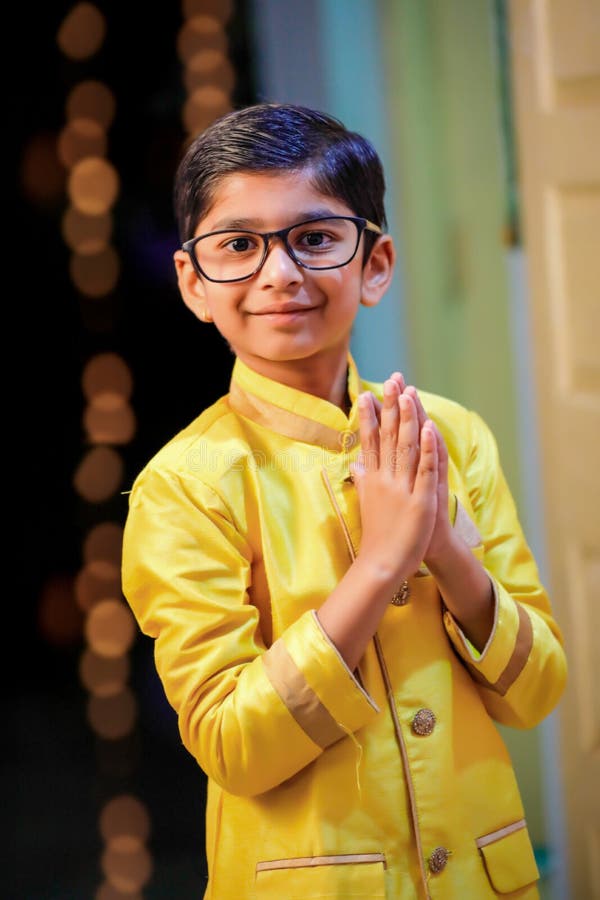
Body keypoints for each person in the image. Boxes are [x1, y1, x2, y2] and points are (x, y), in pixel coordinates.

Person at [121, 102, 567, 900]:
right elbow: (232, 744)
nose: (280, 274)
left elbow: (537, 691)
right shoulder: (184, 485)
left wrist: (445, 551)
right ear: (194, 282)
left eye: (315, 238)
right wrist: (384, 562)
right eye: (239, 246)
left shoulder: (453, 438)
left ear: (377, 263)